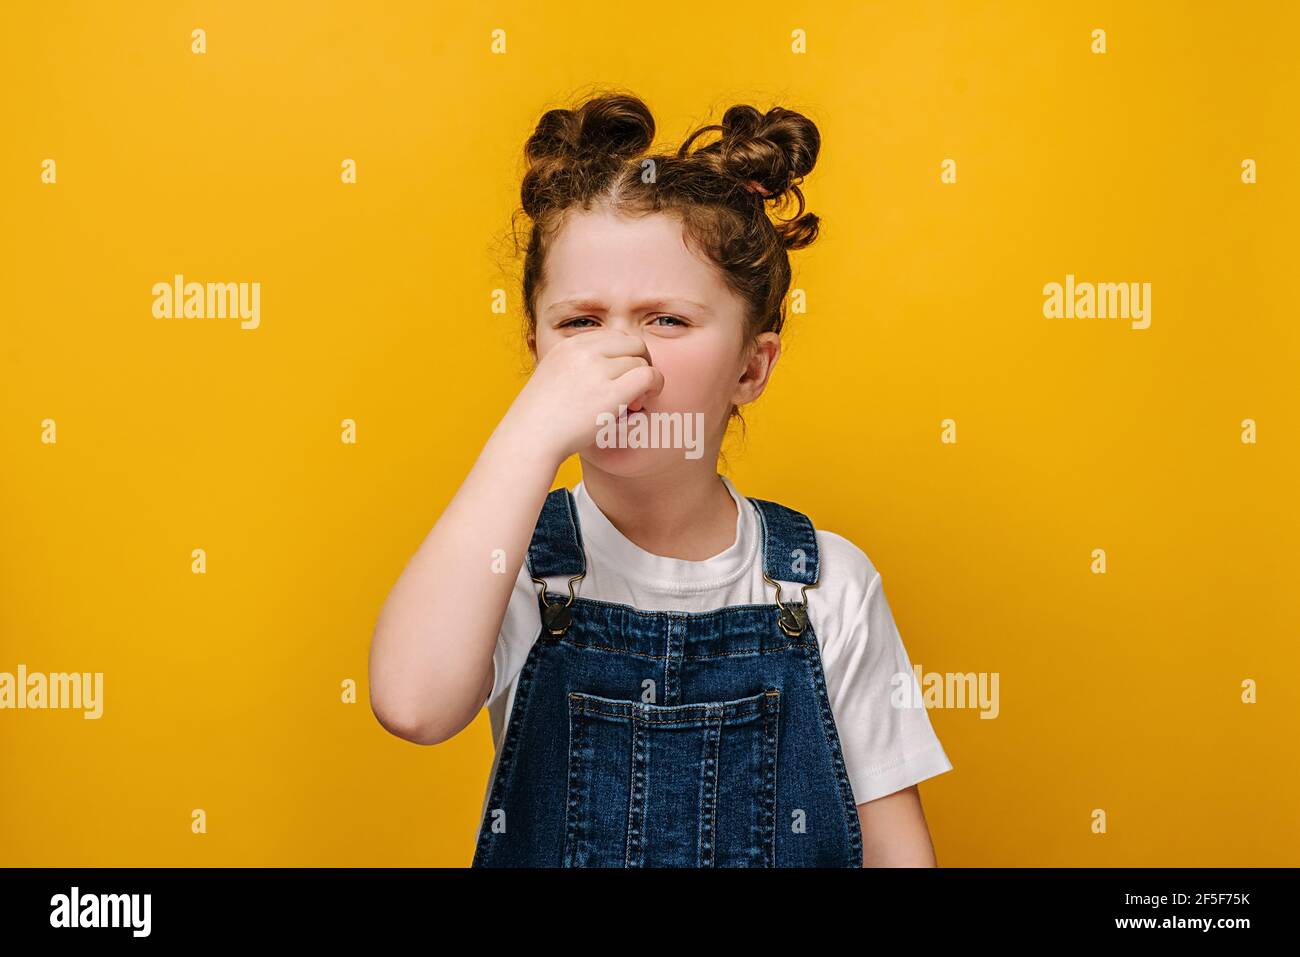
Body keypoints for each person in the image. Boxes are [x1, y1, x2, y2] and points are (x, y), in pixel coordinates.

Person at [369, 90, 953, 867]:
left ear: (751, 365)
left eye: (666, 319)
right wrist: (528, 436)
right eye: (580, 322)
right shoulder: (515, 568)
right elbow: (412, 702)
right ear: (538, 351)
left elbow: (895, 851)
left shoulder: (828, 588)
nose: (622, 358)